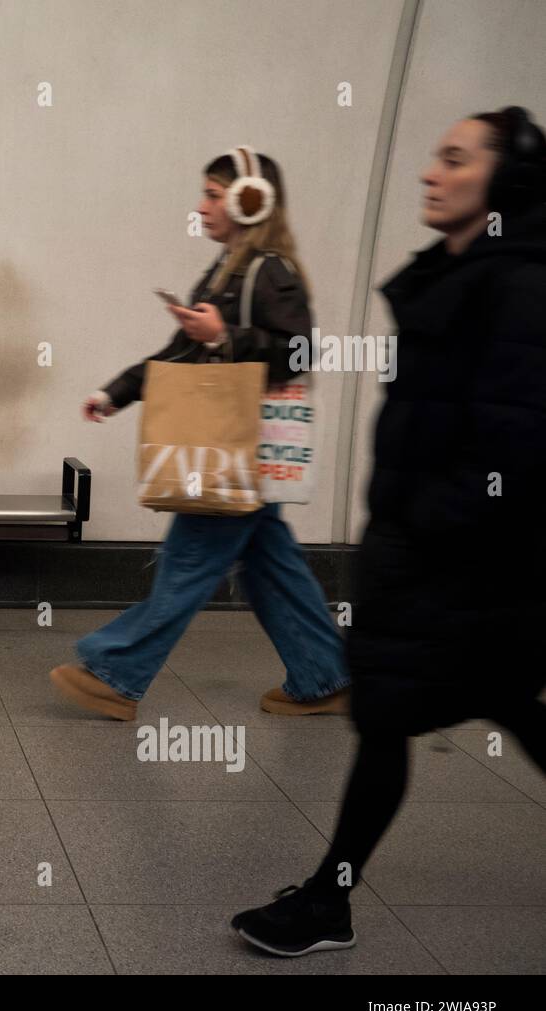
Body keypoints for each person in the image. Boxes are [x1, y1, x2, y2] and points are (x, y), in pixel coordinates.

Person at [232, 106, 546, 956]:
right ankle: (328, 900)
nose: (429, 172)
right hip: (440, 554)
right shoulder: (459, 271)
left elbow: (516, 438)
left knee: (393, 714)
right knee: (437, 709)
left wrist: (424, 528)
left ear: (505, 179)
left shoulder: (519, 284)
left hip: (470, 562)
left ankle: (328, 902)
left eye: (454, 159)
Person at [49, 146, 349, 722]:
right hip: (239, 453)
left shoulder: (271, 273)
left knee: (187, 563)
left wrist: (225, 338)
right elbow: (180, 353)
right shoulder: (225, 271)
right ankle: (324, 676)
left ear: (249, 200)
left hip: (235, 452)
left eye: (213, 195)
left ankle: (116, 675)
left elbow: (298, 351)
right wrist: (118, 391)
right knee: (271, 569)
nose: (202, 206)